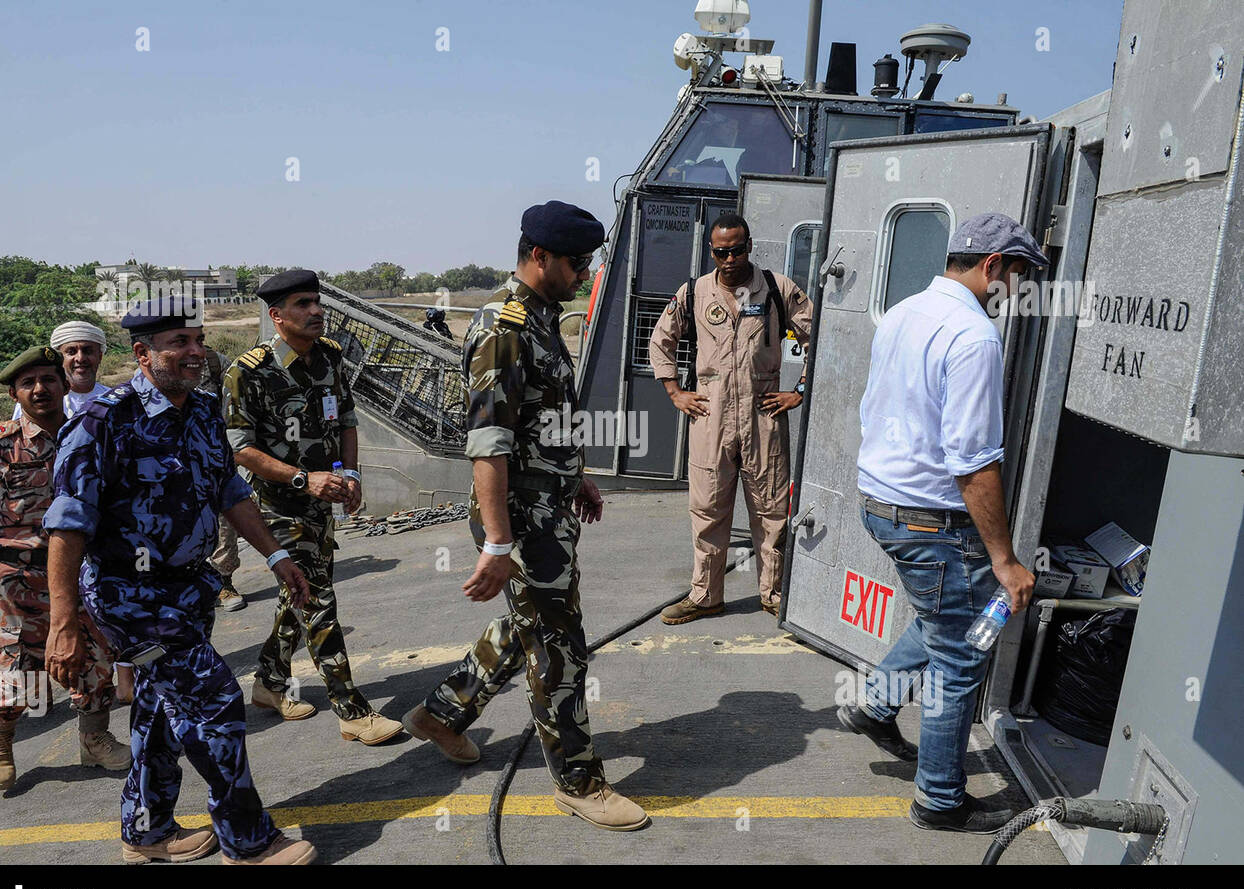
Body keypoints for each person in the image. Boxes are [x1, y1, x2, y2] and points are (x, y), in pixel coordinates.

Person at [401, 201, 648, 831]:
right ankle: (579, 781)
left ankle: (440, 713)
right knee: (560, 646)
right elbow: (488, 444)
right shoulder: (503, 328)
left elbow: (543, 420)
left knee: (529, 626)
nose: (585, 273)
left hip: (547, 506)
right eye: (576, 262)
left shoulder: (541, 319)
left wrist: (578, 477)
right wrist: (497, 541)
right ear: (538, 256)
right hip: (519, 518)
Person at [43, 295, 317, 865]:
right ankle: (249, 840)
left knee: (158, 708)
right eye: (179, 344)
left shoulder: (202, 409)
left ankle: (146, 832)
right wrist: (63, 621)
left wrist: (275, 557)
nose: (196, 352)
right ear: (143, 354)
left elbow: (230, 493)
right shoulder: (102, 422)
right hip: (128, 595)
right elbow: (67, 526)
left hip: (190, 587)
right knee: (215, 700)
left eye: (198, 340)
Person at [837, 211, 1044, 834]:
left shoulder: (904, 312)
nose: (1018, 290)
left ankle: (875, 705)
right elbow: (975, 463)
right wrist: (1005, 562)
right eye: (1017, 275)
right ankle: (940, 801)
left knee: (943, 619)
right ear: (992, 267)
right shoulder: (975, 336)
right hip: (932, 523)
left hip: (883, 505)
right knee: (960, 657)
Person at [224, 270, 401, 743]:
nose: (317, 311)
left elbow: (345, 418)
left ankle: (268, 681)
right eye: (303, 304)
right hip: (279, 505)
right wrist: (305, 478)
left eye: (317, 303)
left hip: (324, 502)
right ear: (276, 315)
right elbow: (240, 449)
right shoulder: (248, 371)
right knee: (319, 599)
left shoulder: (331, 357)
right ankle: (352, 710)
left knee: (298, 592)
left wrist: (352, 473)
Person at [0, 347, 129, 791]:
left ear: (65, 385)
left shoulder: (86, 436)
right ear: (14, 392)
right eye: (28, 383)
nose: (40, 389)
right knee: (21, 667)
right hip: (19, 577)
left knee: (96, 655)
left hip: (85, 571)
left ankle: (94, 738)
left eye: (49, 379)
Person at [650, 213, 814, 624]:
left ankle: (774, 594)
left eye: (737, 250)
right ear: (712, 251)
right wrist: (675, 392)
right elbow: (661, 339)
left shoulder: (778, 289)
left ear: (749, 245)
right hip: (711, 417)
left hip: (764, 417)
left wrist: (799, 392)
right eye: (721, 252)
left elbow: (820, 336)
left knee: (771, 511)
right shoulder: (694, 293)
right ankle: (706, 595)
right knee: (707, 509)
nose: (729, 259)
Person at [199, 347, 246, 612]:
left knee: (224, 521)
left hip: (214, 455)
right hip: (170, 461)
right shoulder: (152, 369)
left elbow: (234, 405)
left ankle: (222, 582)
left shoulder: (215, 362)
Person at [11, 320, 111, 421]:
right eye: (71, 352)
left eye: (88, 351)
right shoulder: (39, 401)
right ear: (59, 359)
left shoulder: (113, 399)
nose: (80, 358)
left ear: (100, 356)